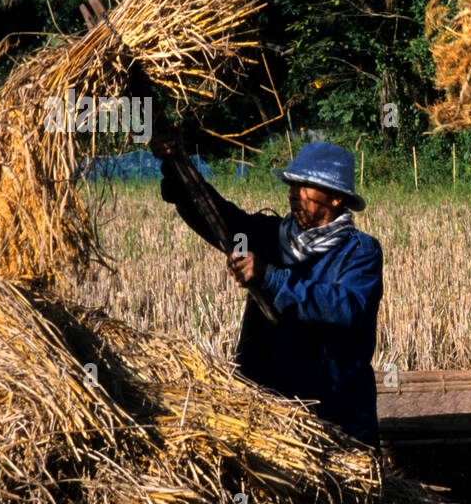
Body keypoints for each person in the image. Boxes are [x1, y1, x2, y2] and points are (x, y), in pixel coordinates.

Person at [151, 125, 383, 444]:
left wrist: (273, 278)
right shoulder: (267, 236)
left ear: (336, 197)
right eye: (291, 184)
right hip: (269, 417)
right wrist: (177, 165)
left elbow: (348, 308)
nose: (292, 193)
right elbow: (218, 217)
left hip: (336, 420)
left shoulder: (360, 251)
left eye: (304, 185)